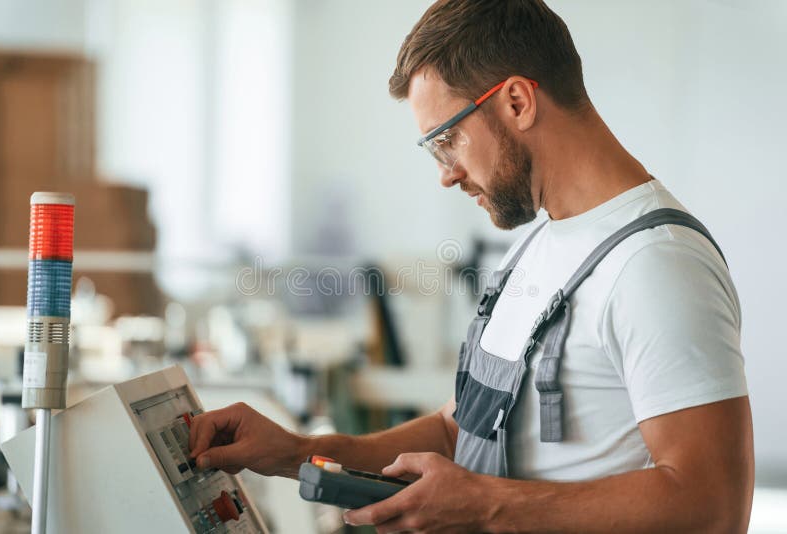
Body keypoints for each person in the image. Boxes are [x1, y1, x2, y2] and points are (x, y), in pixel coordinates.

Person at [189, 1, 754, 531]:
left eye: (447, 139)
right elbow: (458, 430)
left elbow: (713, 505)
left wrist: (485, 505)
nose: (446, 173)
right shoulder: (537, 245)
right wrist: (296, 453)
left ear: (517, 102)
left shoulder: (656, 262)